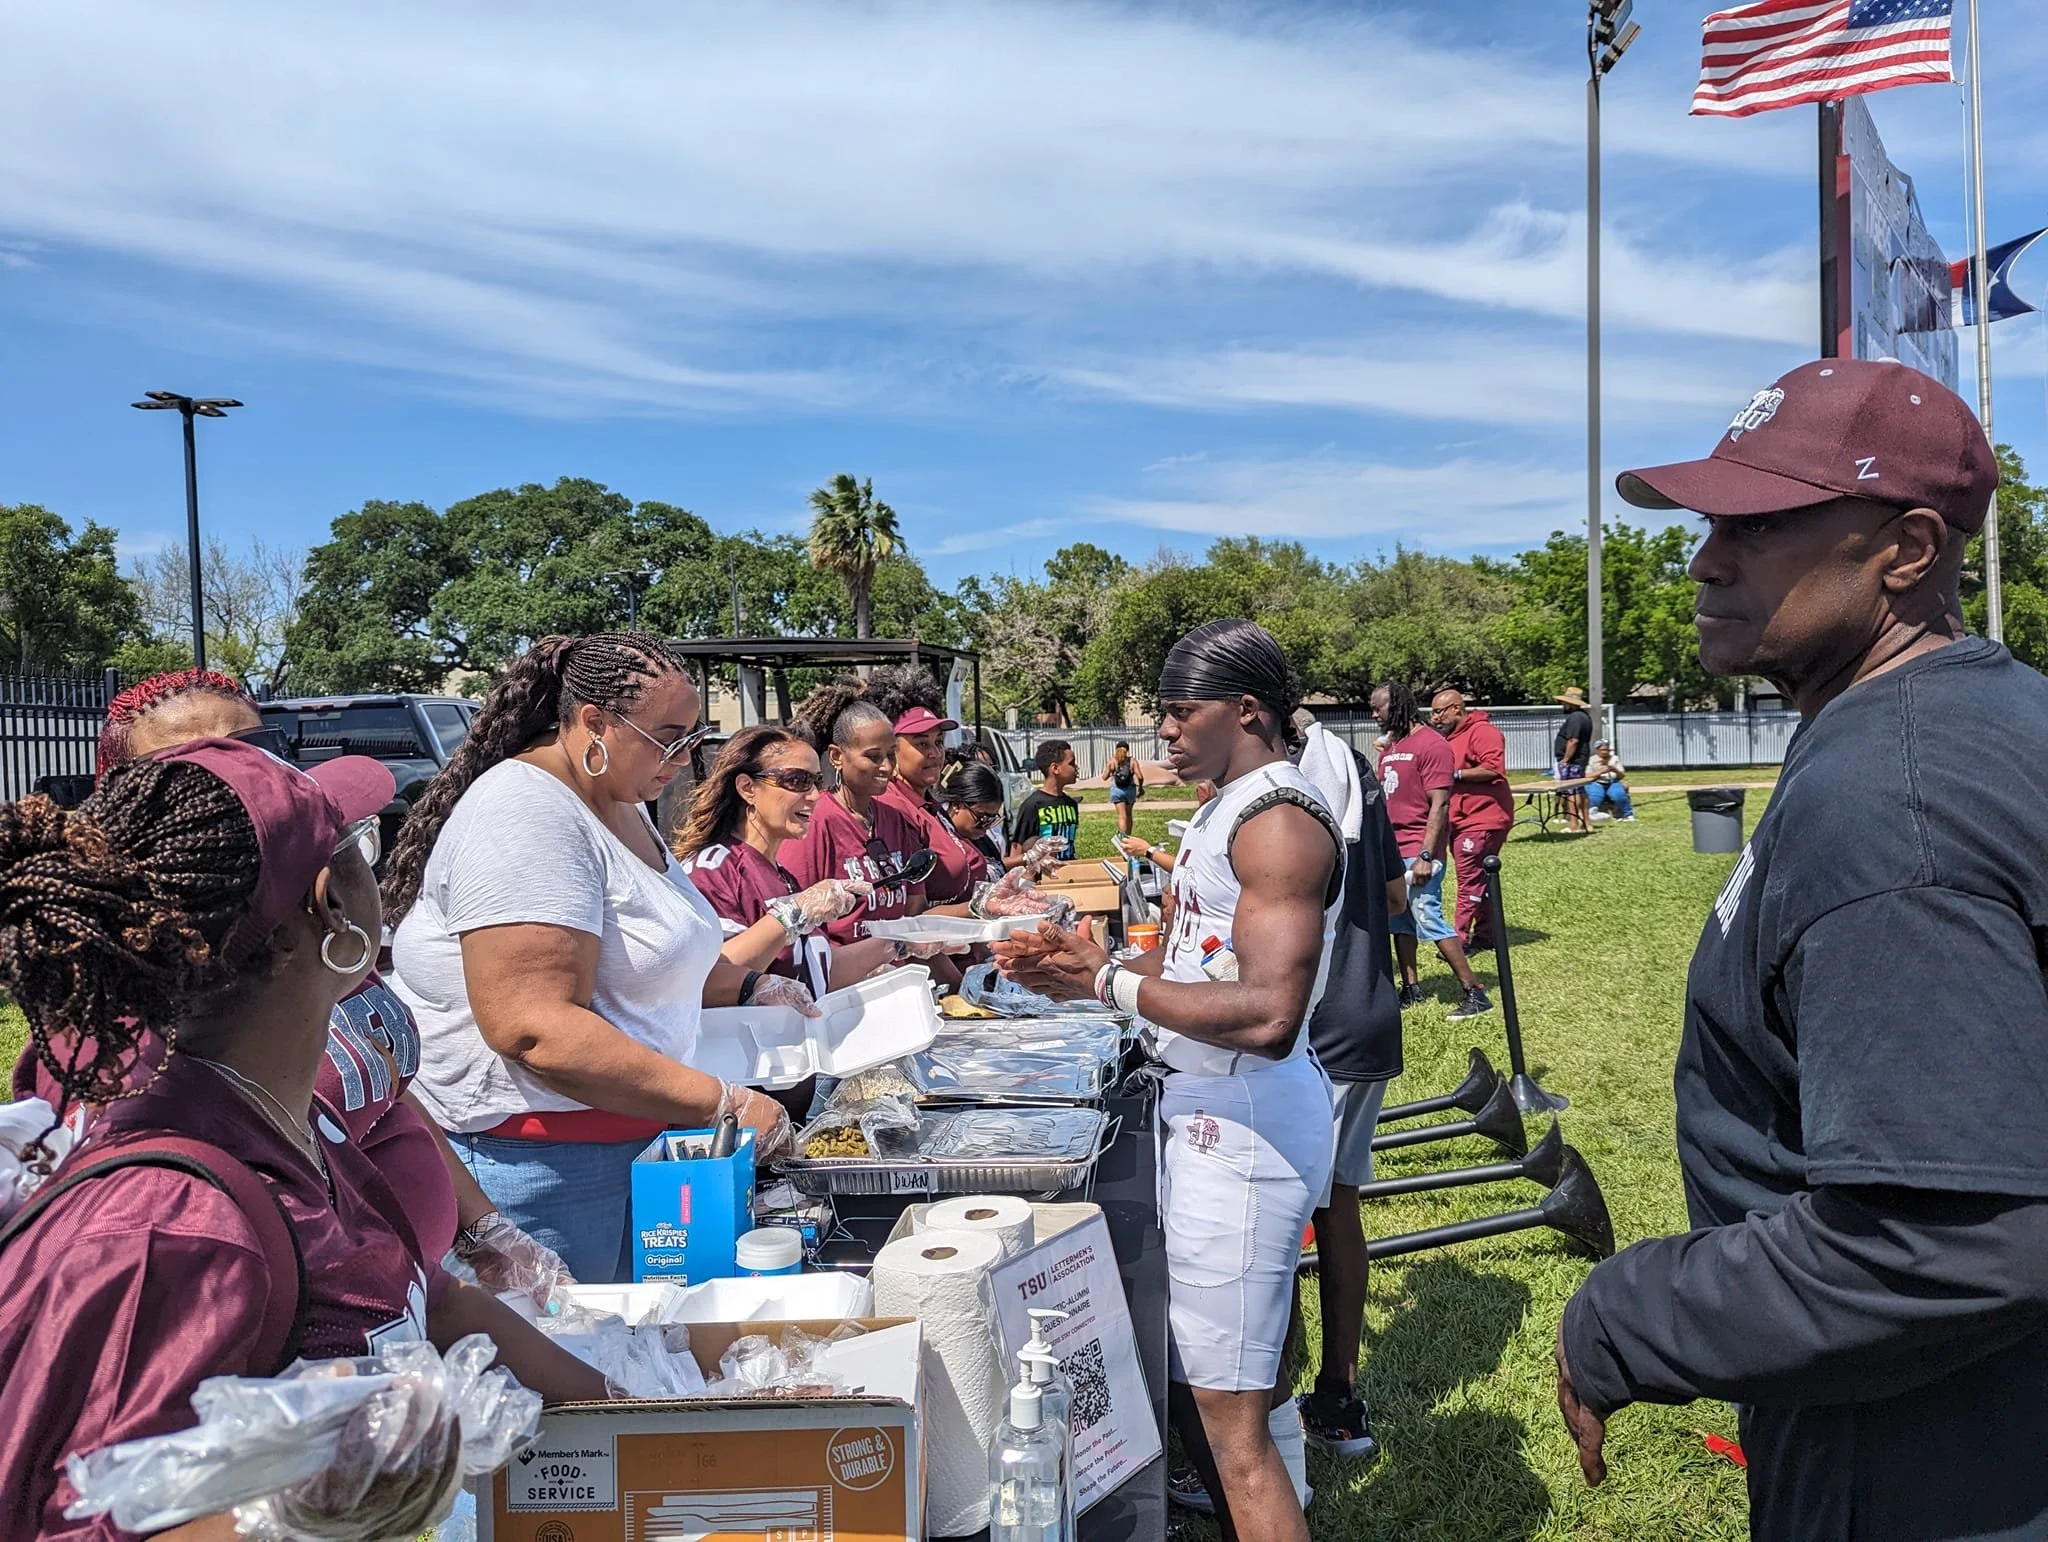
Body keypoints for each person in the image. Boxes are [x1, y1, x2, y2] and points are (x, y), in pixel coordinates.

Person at [1553, 358, 2048, 1539]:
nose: (1704, 557)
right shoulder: (1978, 718)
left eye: (1759, 523)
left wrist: (1625, 1312)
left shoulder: (1891, 796)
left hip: (1929, 1451)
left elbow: (1951, 1240)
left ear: (1908, 550)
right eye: (1711, 519)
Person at [0, 741, 608, 1538]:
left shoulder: (293, 1120)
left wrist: (632, 1410)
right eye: (363, 844)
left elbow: (433, 1298)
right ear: (330, 906)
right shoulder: (169, 1225)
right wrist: (289, 1513)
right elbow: (83, 1519)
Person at [14, 667, 572, 1309]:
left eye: (257, 748)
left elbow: (383, 1096)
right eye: (196, 765)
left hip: (408, 1313)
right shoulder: (128, 1050)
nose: (248, 776)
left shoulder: (313, 950)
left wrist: (481, 1230)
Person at [994, 619, 1341, 1542]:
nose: (1165, 736)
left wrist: (1104, 979)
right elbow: (1203, 963)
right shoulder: (1231, 804)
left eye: (1183, 714)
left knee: (1232, 1437)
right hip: (1215, 1108)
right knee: (1235, 1400)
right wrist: (1097, 961)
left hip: (1243, 1119)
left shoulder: (1276, 822)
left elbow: (1268, 1015)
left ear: (1248, 710)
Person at [384, 634, 801, 1283]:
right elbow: (533, 1026)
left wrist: (749, 989)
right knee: (570, 1373)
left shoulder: (621, 801)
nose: (685, 757)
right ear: (593, 723)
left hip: (630, 1148)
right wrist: (720, 1101)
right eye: (668, 737)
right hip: (535, 1172)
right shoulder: (523, 810)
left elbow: (655, 957)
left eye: (694, 737)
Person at [1291, 717, 1407, 1462]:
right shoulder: (1355, 771)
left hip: (1321, 1026)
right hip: (1370, 1014)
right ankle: (1336, 1395)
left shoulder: (1288, 793)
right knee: (1336, 1207)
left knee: (1281, 1217)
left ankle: (1294, 1410)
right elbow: (1395, 894)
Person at [673, 724, 895, 998]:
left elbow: (815, 973)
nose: (814, 795)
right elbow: (708, 977)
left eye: (817, 781)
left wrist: (898, 944)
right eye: (797, 781)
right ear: (747, 788)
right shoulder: (711, 870)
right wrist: (794, 914)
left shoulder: (784, 878)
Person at [1372, 683, 1492, 1020]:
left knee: (1427, 915)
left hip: (1419, 848)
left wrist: (1427, 855)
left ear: (1396, 706)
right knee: (1401, 920)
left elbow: (1439, 805)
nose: (1373, 714)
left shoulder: (1432, 745)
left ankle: (1474, 992)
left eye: (1378, 707)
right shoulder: (1392, 747)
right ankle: (1411, 988)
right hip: (1394, 850)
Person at [865, 665, 986, 909]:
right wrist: (984, 907)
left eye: (938, 741)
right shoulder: (894, 807)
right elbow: (912, 913)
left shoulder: (928, 804)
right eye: (922, 743)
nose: (934, 753)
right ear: (891, 748)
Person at [1429, 689, 1515, 950]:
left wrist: (1453, 775)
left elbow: (1493, 768)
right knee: (1480, 878)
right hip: (1460, 818)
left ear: (1456, 708)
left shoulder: (1482, 732)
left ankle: (1460, 940)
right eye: (1432, 713)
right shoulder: (1449, 736)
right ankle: (1487, 935)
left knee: (1469, 879)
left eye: (1439, 711)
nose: (1435, 718)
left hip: (1482, 818)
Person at [933, 757, 1009, 883]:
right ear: (957, 805)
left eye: (992, 819)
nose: (986, 826)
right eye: (982, 817)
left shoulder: (983, 840)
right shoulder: (940, 842)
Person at [1006, 739, 1080, 867]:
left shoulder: (1071, 804)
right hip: (1041, 877)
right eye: (1071, 763)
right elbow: (1017, 847)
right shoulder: (1032, 805)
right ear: (1055, 768)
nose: (1076, 768)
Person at [1553, 686, 1595, 834]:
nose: (1563, 705)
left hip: (1573, 761)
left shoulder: (1576, 717)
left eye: (1564, 703)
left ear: (1570, 703)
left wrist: (1565, 759)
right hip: (1579, 760)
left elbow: (1573, 740)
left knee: (1572, 792)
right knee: (1579, 790)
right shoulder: (1583, 716)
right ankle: (1587, 823)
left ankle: (1574, 825)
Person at [1583, 741, 1634, 822]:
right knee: (1595, 795)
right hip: (1596, 782)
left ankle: (1627, 815)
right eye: (1603, 750)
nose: (1605, 752)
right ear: (1597, 750)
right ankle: (1591, 814)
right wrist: (1600, 772)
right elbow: (1586, 776)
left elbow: (1622, 776)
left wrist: (1615, 769)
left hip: (1612, 782)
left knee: (1618, 794)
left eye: (1607, 750)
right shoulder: (1591, 760)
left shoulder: (1614, 759)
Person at [1107, 740, 1146, 837]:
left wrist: (1111, 771)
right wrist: (1140, 788)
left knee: (1121, 816)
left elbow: (1104, 777)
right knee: (1128, 815)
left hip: (1117, 790)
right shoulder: (1132, 761)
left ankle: (1123, 839)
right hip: (1130, 790)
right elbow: (1140, 777)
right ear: (1127, 750)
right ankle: (1128, 838)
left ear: (1116, 749)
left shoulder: (1112, 761)